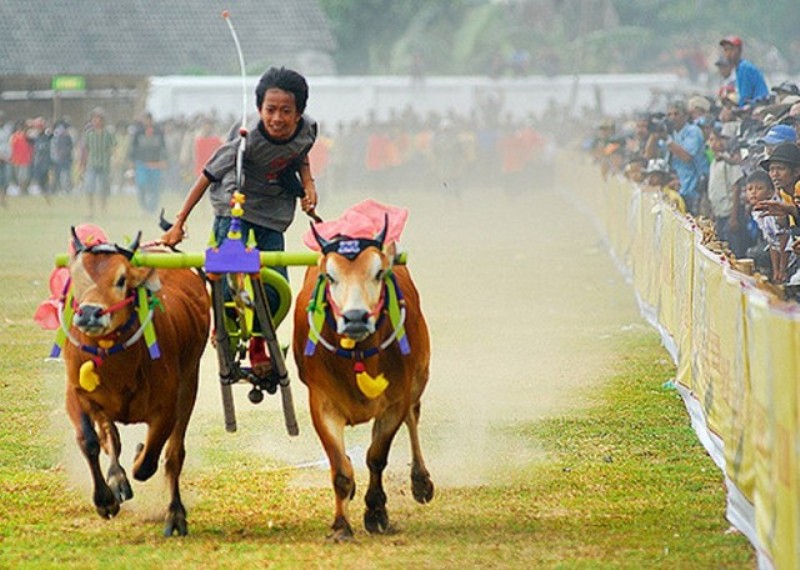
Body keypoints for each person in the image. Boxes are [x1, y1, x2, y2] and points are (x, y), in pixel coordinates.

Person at [161, 66, 318, 376]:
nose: (277, 118)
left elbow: (300, 152)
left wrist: (308, 184)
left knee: (275, 288)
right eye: (270, 110)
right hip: (235, 208)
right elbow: (207, 176)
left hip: (273, 213)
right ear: (259, 110)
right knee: (227, 274)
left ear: (299, 113)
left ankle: (260, 341)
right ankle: (224, 323)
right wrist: (179, 223)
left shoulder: (308, 130)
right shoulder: (248, 139)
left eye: (285, 111)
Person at [645, 100, 709, 215]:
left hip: (692, 188)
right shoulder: (670, 133)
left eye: (676, 114)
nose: (672, 118)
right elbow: (649, 156)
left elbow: (686, 157)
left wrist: (667, 139)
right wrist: (654, 135)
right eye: (669, 115)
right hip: (674, 188)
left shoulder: (693, 131)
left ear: (685, 116)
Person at [79, 108, 117, 218]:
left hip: (104, 165)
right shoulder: (89, 134)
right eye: (94, 119)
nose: (96, 121)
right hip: (92, 164)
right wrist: (82, 164)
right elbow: (85, 150)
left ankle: (103, 209)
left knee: (104, 188)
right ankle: (90, 211)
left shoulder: (108, 134)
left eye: (98, 119)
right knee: (89, 187)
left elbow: (114, 147)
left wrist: (115, 160)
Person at [129, 112, 167, 214]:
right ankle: (144, 207)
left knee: (155, 187)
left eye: (149, 119)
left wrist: (164, 160)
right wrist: (132, 161)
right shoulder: (138, 132)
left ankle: (152, 208)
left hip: (155, 163)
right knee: (141, 184)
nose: (147, 122)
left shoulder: (158, 132)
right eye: (145, 119)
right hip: (142, 163)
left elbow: (163, 147)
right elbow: (133, 148)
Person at [719, 36, 769, 108]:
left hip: (759, 105)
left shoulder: (744, 68)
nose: (728, 54)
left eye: (731, 49)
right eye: (725, 50)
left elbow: (745, 97)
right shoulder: (738, 68)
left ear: (739, 50)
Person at [0, 112, 12, 207]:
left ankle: (3, 200)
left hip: (6, 160)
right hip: (2, 159)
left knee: (5, 181)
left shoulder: (6, 130)